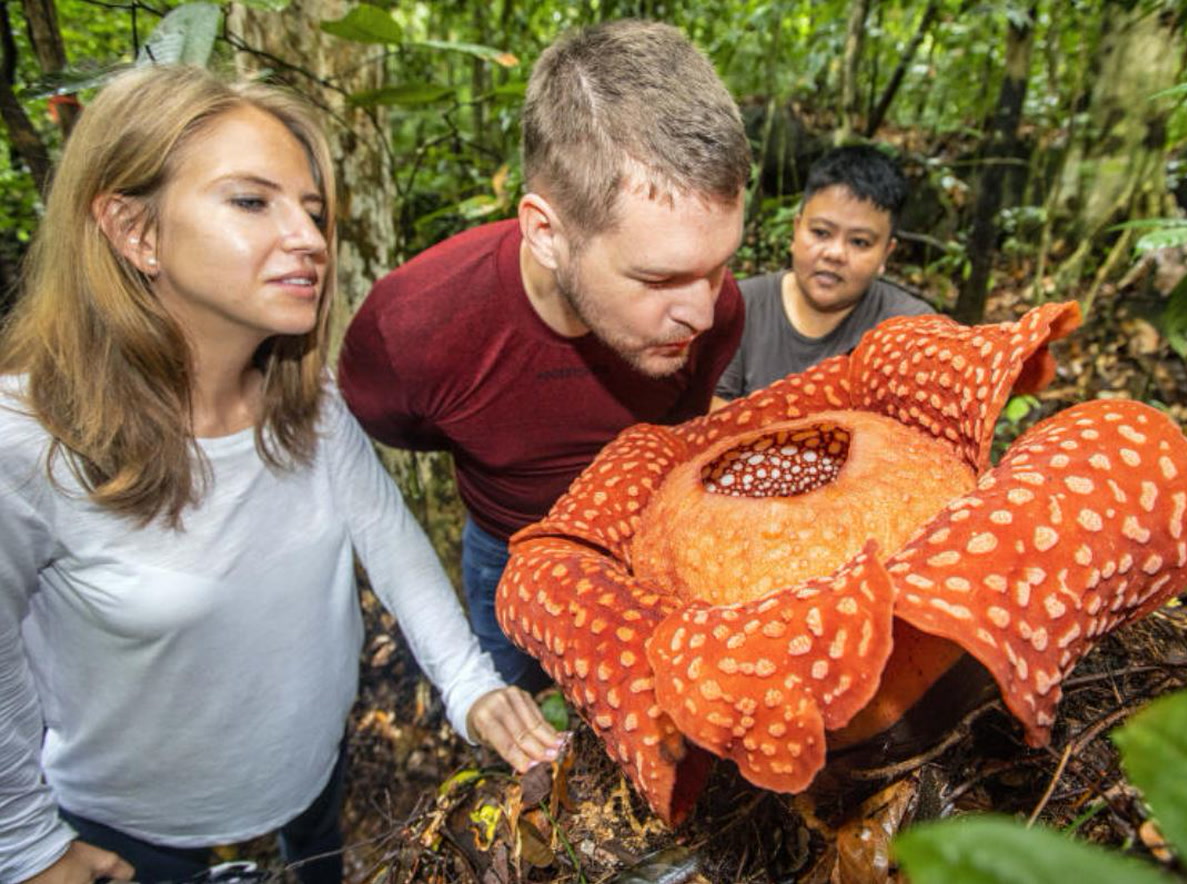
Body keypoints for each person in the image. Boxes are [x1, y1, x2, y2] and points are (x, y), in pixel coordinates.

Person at [0, 65, 562, 884]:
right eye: (251, 201)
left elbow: (393, 547)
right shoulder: (28, 442)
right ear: (134, 231)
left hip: (309, 782)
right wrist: (25, 845)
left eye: (312, 209)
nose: (308, 238)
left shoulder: (311, 402)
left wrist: (471, 688)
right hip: (137, 836)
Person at [338, 20, 753, 693]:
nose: (701, 313)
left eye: (717, 267)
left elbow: (679, 424)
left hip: (643, 546)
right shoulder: (412, 332)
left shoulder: (716, 309)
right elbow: (398, 425)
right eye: (657, 279)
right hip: (502, 553)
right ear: (547, 233)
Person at [714, 145, 933, 402]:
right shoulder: (739, 306)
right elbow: (713, 420)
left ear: (886, 253)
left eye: (860, 242)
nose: (835, 253)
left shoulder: (912, 332)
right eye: (821, 232)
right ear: (796, 230)